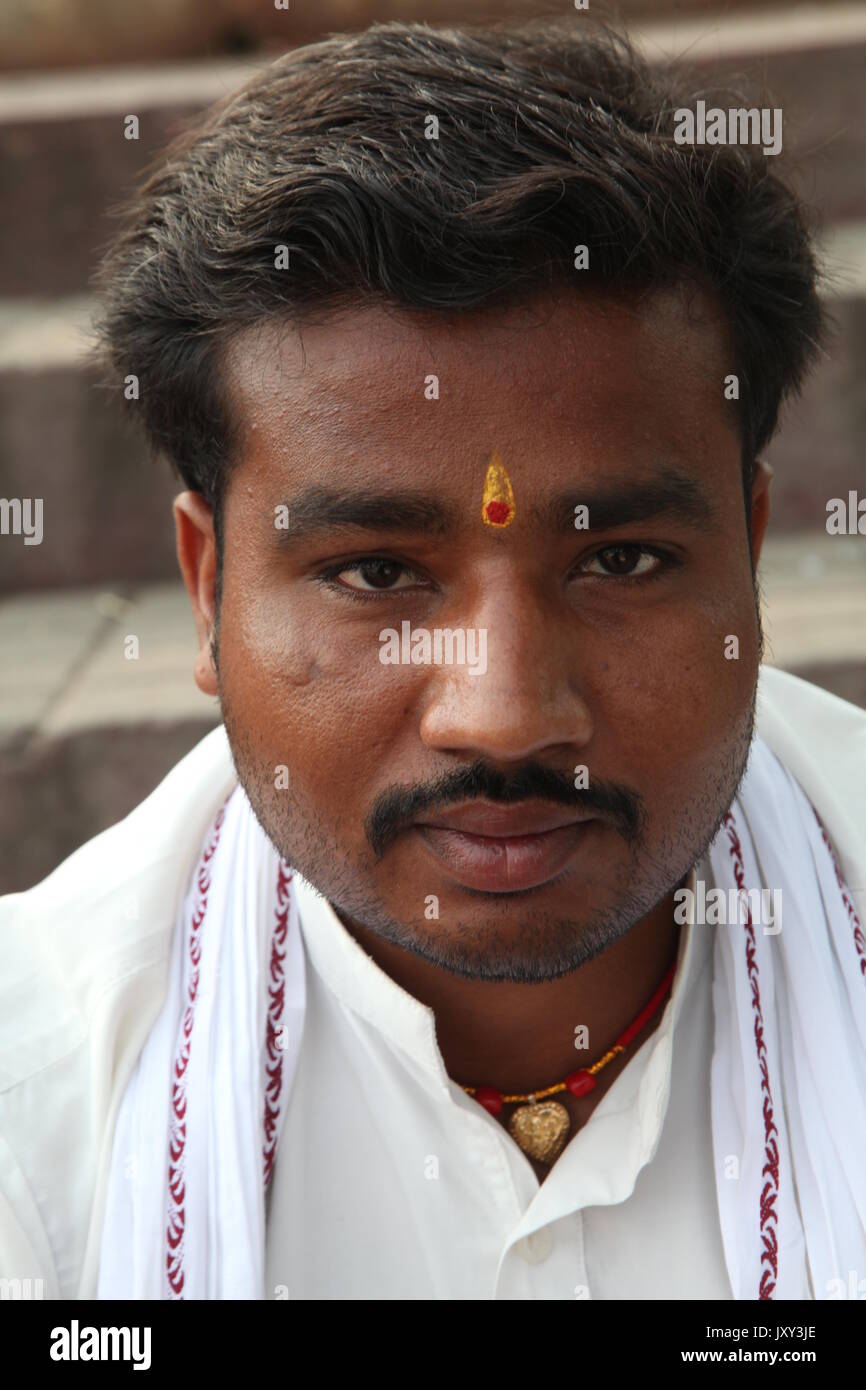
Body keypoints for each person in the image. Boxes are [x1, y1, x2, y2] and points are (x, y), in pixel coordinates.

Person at [2, 19, 864, 1302]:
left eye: (617, 559)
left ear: (744, 546)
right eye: (375, 573)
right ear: (206, 587)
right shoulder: (36, 1109)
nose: (505, 714)